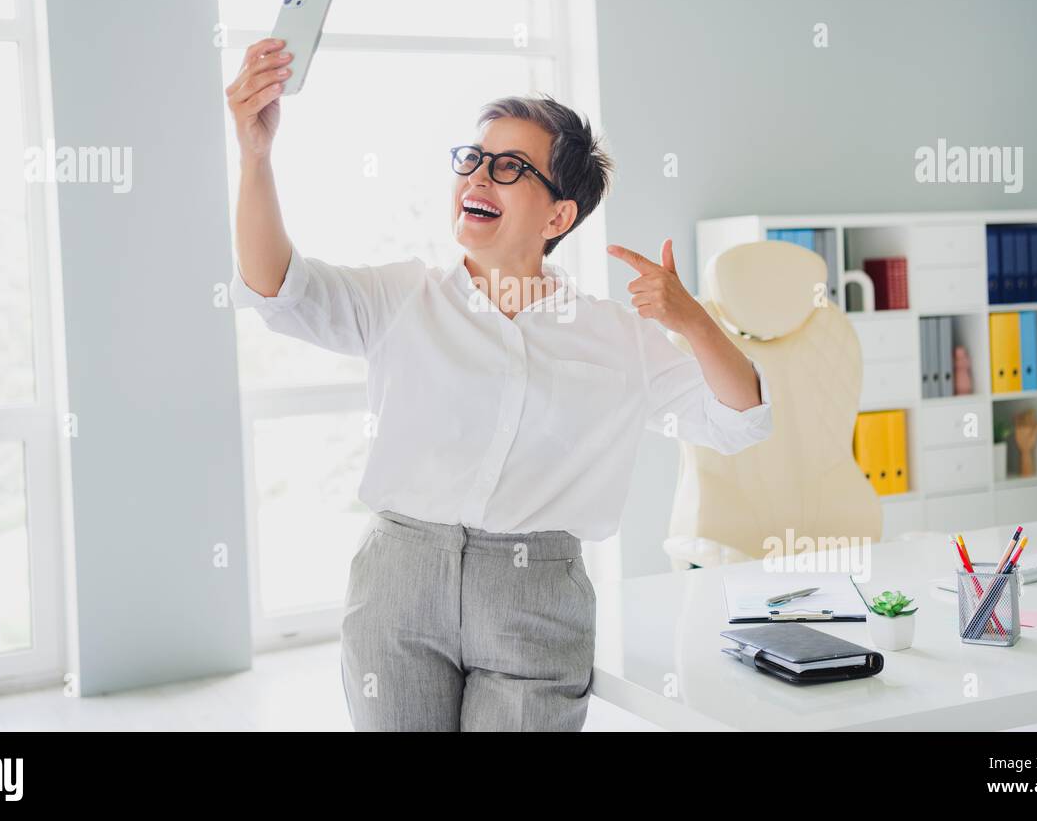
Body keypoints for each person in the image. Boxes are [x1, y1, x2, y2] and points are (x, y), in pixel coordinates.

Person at [225, 38, 772, 731]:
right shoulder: (404, 297)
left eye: (510, 167)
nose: (480, 177)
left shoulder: (616, 336)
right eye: (474, 160)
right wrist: (254, 156)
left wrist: (694, 322)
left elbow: (742, 420)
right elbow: (278, 288)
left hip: (535, 597)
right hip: (399, 584)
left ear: (558, 217)